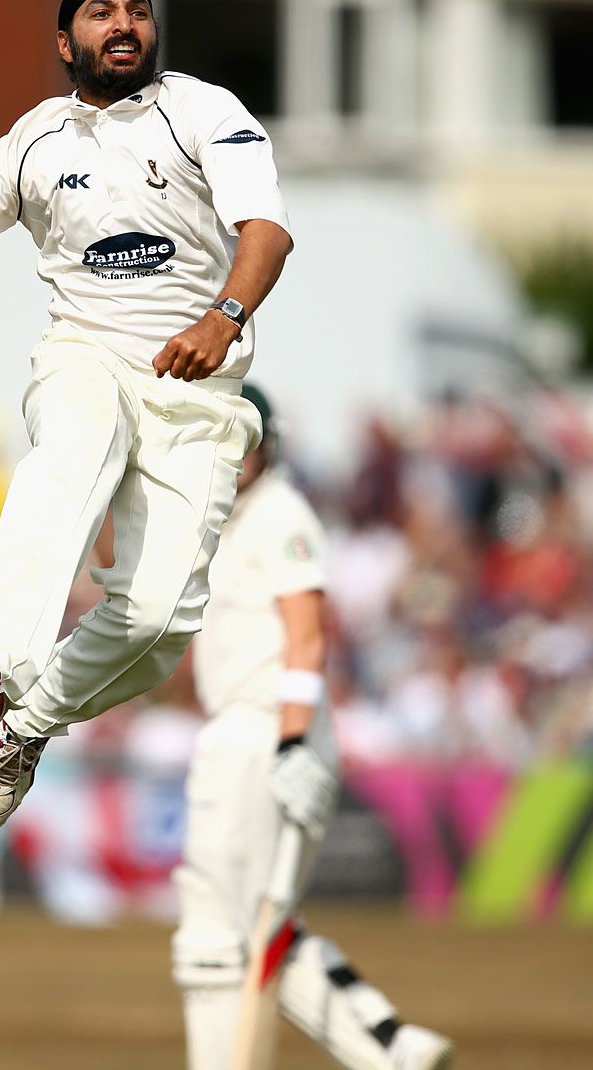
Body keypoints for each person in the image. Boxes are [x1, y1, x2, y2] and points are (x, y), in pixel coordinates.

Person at [0, 0, 293, 834]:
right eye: (100, 12)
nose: (123, 24)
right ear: (64, 41)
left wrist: (225, 315)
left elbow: (265, 231)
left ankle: (24, 728)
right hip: (86, 355)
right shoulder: (34, 140)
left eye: (137, 11)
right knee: (71, 453)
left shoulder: (205, 110)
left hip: (198, 387)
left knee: (160, 622)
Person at [172, 383, 454, 1070]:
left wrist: (293, 741)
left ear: (269, 448)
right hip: (249, 726)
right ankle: (391, 1047)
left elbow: (307, 635)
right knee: (262, 925)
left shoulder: (280, 512)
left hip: (266, 726)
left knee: (214, 932)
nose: (236, 456)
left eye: (248, 444)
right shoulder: (221, 518)